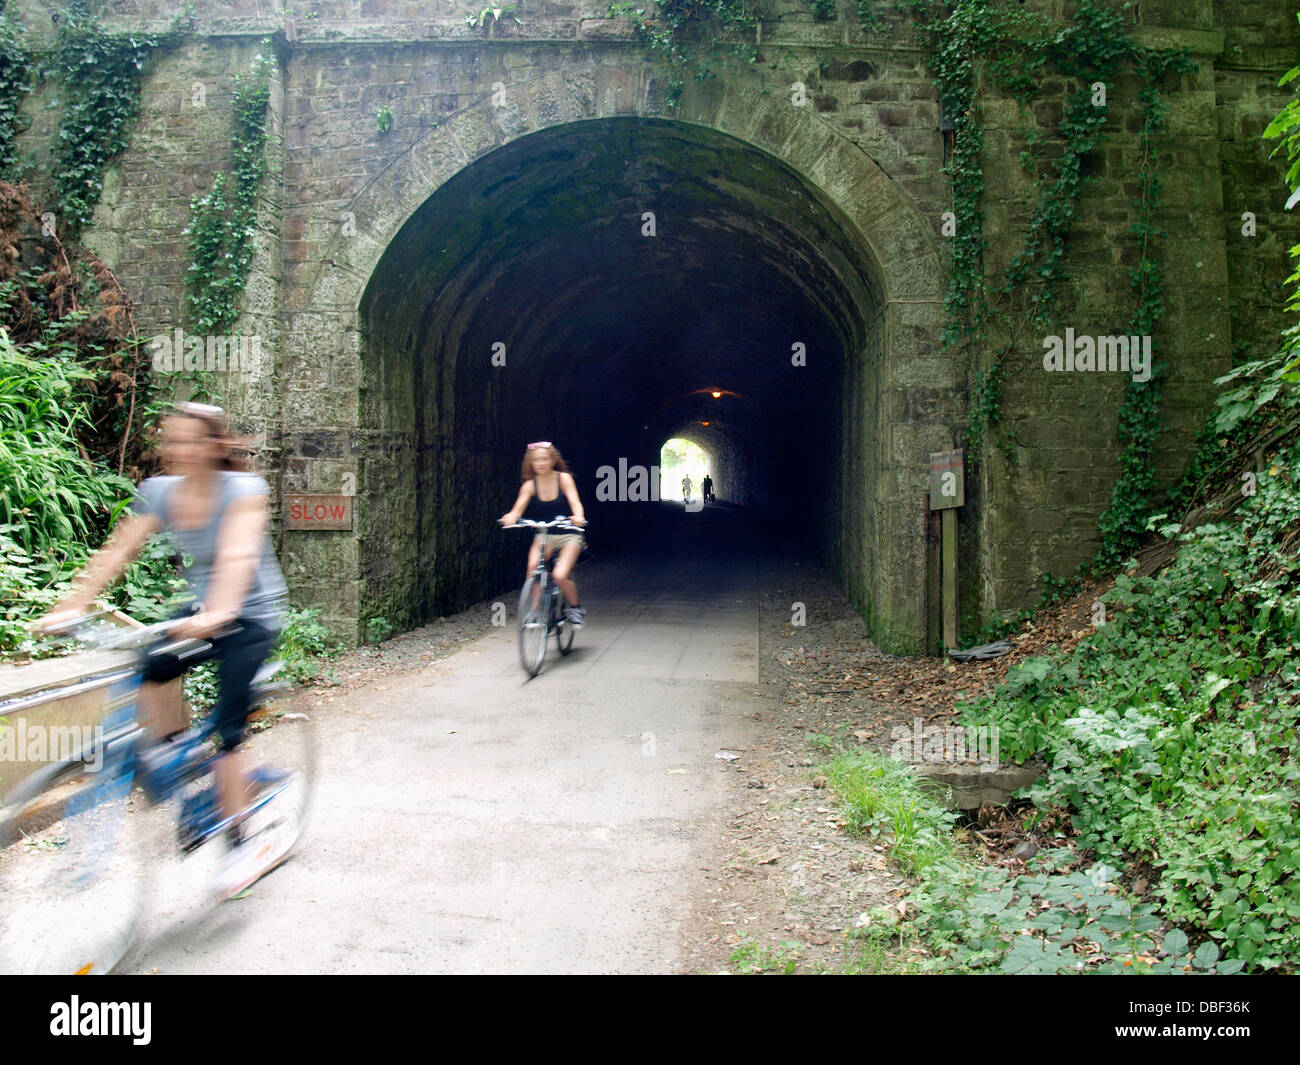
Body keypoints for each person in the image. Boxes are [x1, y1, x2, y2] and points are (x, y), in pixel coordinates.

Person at [38, 402, 289, 895]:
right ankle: (181, 757)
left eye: (192, 441)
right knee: (151, 664)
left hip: (249, 615)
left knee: (229, 736)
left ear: (215, 445)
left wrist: (216, 613)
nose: (181, 451)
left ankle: (242, 843)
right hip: (199, 612)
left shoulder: (243, 490)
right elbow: (118, 551)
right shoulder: (160, 492)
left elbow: (238, 556)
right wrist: (70, 606)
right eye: (173, 441)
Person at [499, 441, 587, 626]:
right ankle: (534, 611)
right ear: (531, 462)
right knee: (532, 567)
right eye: (536, 459)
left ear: (553, 460)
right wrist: (511, 516)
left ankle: (575, 606)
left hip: (568, 534)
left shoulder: (563, 479)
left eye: (544, 459)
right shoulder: (530, 486)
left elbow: (575, 502)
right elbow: (518, 508)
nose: (540, 463)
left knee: (560, 575)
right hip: (545, 535)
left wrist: (578, 516)